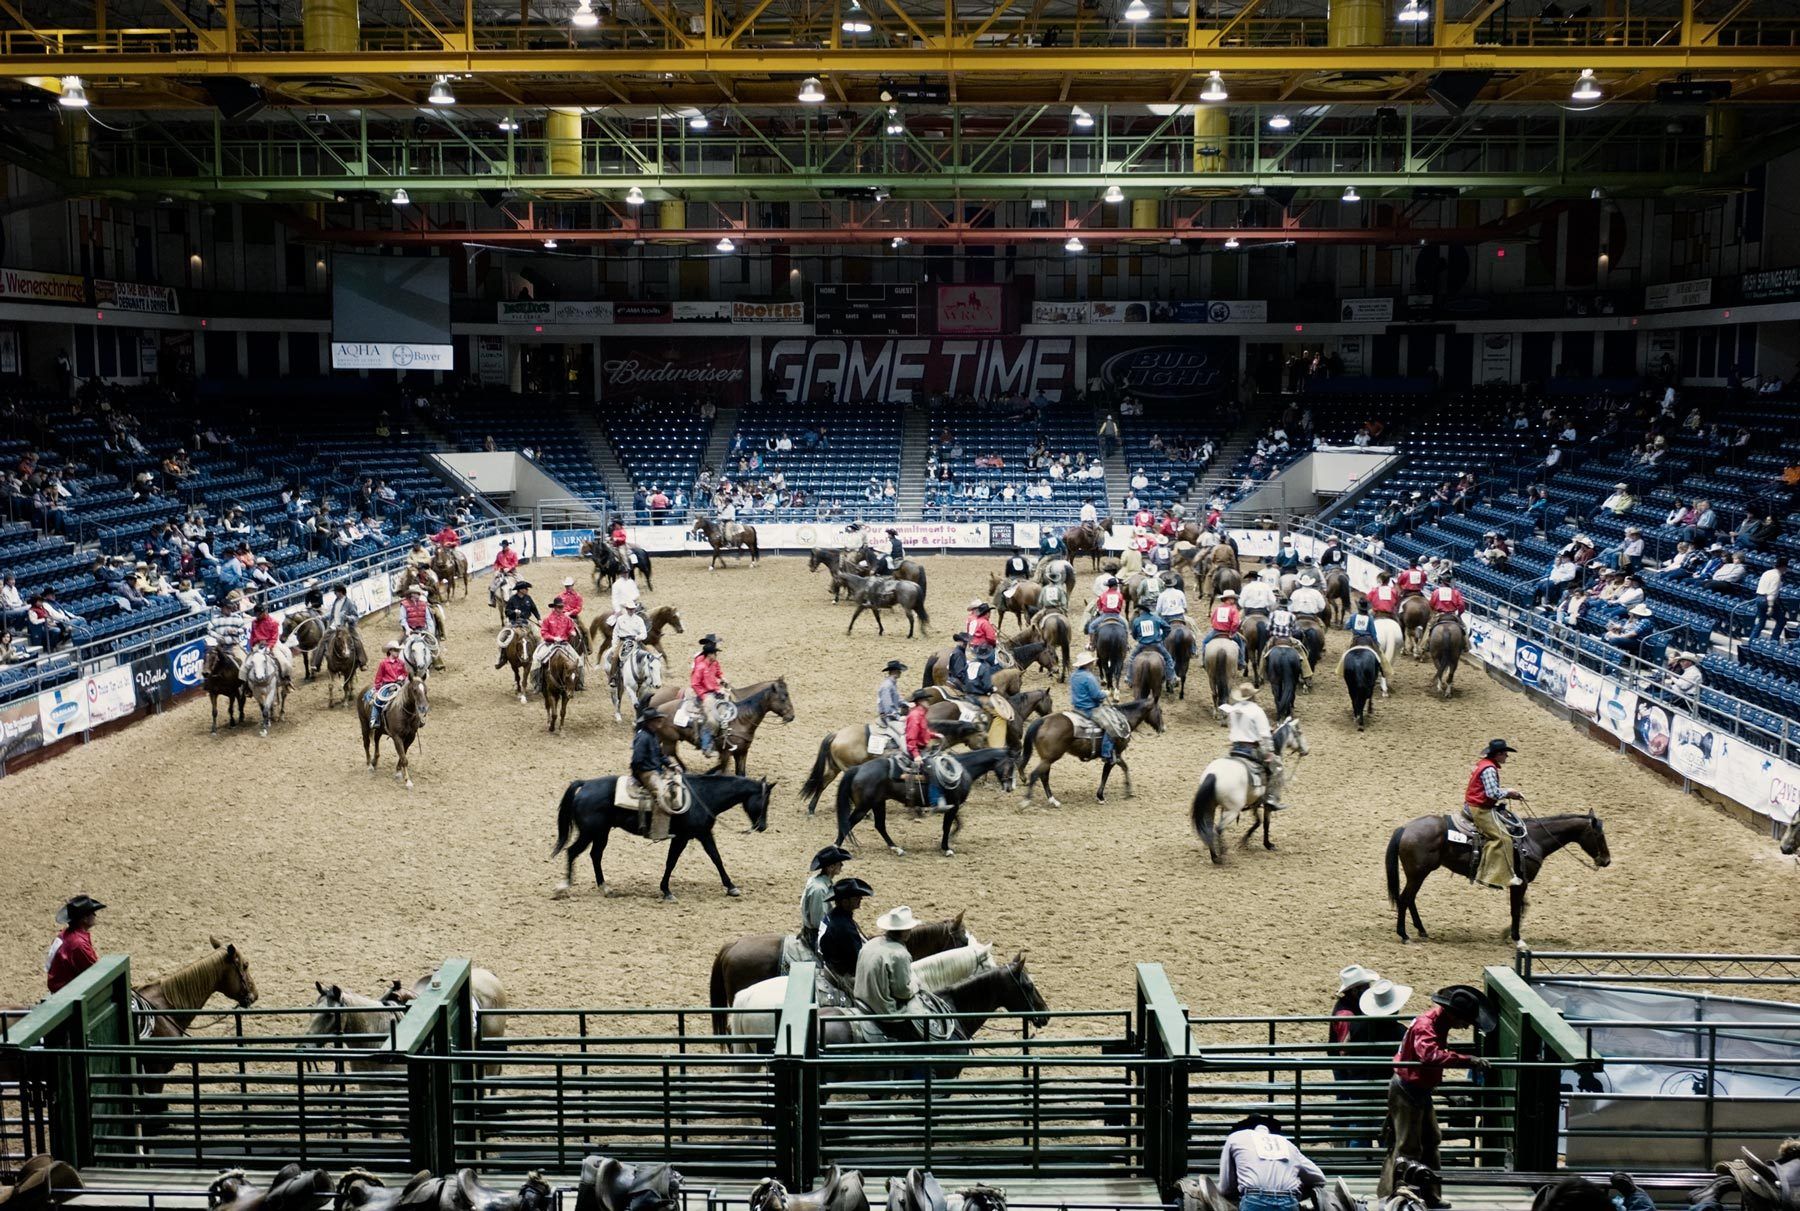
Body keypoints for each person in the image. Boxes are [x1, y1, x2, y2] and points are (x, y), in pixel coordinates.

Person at [1379, 985, 1496, 1202]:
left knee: (1428, 1141)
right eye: (1465, 1021)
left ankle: (1428, 1194)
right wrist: (1467, 1060)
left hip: (1416, 1089)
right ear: (1453, 1015)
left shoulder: (1434, 1023)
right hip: (1408, 1090)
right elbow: (1429, 1056)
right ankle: (1401, 1197)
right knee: (1408, 1147)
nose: (1465, 1026)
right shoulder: (1426, 1026)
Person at [1217, 1113, 1326, 1211]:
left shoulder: (1236, 1137)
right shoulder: (1287, 1144)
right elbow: (1319, 1179)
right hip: (1288, 1200)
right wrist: (1297, 1193)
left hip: (1254, 1199)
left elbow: (1226, 1188)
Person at [855, 905, 927, 1042]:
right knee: (923, 1028)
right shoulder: (900, 954)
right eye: (908, 929)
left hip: (862, 1001)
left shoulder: (871, 943)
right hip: (883, 1010)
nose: (910, 931)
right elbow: (903, 992)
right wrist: (915, 985)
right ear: (904, 932)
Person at [1467, 739, 1525, 889]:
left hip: (1476, 804)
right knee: (1502, 838)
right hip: (1480, 808)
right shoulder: (1489, 769)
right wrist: (1509, 792)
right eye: (1505, 753)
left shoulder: (1483, 764)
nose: (1507, 756)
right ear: (1498, 754)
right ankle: (1490, 876)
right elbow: (1492, 793)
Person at [1225, 684, 1284, 809]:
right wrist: (1269, 752)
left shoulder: (1233, 709)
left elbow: (1231, 727)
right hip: (1250, 749)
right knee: (1277, 766)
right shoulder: (1257, 710)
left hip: (1235, 748)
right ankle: (1271, 798)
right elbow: (1265, 735)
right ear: (1253, 696)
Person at [629, 706, 680, 840]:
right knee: (664, 795)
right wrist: (639, 777)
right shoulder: (643, 738)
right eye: (657, 719)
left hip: (655, 770)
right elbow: (636, 760)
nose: (660, 721)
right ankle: (658, 832)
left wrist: (671, 764)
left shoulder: (653, 735)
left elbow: (660, 755)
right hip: (647, 773)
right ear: (650, 722)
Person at [817, 877, 873, 993]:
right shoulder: (844, 927)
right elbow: (858, 959)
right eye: (856, 896)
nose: (861, 898)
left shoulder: (833, 915)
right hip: (843, 973)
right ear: (845, 902)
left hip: (830, 964)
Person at [800, 845, 853, 958]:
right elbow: (818, 923)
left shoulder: (818, 882)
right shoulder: (819, 889)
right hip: (816, 937)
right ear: (831, 867)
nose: (842, 865)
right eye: (839, 863)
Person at [45, 894, 105, 993]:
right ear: (84, 919)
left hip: (60, 989)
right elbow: (94, 971)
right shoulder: (78, 944)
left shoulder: (64, 934)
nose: (95, 915)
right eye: (92, 913)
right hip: (69, 992)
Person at [690, 634, 733, 755]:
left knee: (729, 703)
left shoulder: (713, 662)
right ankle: (706, 745)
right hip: (706, 693)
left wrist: (722, 679)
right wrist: (704, 695)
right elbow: (695, 683)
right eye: (715, 652)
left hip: (715, 690)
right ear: (710, 653)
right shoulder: (700, 663)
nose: (716, 655)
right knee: (712, 720)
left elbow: (718, 672)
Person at [530, 596, 582, 694]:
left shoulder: (567, 619)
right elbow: (544, 632)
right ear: (554, 607)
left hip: (564, 644)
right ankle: (538, 684)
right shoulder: (547, 619)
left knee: (579, 661)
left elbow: (570, 628)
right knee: (537, 659)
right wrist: (553, 638)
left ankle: (578, 683)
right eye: (559, 607)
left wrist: (572, 632)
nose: (561, 609)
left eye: (562, 607)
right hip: (550, 644)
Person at [204, 594, 252, 678]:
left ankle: (246, 682)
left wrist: (236, 631)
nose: (230, 609)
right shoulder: (215, 619)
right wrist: (217, 636)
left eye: (230, 607)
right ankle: (206, 676)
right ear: (222, 608)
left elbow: (243, 629)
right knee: (209, 660)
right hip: (221, 648)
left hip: (234, 647)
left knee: (244, 664)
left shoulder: (237, 617)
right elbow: (209, 630)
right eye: (228, 607)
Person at [248, 600, 294, 687]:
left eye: (259, 614)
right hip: (258, 645)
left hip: (272, 644)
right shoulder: (254, 623)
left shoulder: (273, 622)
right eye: (256, 614)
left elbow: (274, 637)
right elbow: (252, 636)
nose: (257, 616)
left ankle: (287, 680)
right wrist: (251, 646)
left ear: (263, 612)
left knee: (284, 663)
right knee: (246, 666)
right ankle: (247, 686)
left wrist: (269, 647)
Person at [1131, 605, 1177, 689]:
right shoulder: (1156, 618)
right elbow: (1167, 628)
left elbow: (1134, 634)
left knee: (1131, 658)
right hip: (1156, 644)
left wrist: (1138, 638)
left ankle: (1129, 678)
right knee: (1168, 659)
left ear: (1141, 611)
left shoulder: (1137, 620)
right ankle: (1171, 678)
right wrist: (1162, 637)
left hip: (1142, 645)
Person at [368, 640, 410, 731]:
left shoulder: (401, 663)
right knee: (378, 701)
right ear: (390, 651)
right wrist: (377, 688)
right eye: (395, 650)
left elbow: (405, 673)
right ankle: (374, 719)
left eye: (398, 650)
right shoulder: (383, 663)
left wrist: (402, 677)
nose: (397, 652)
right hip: (387, 686)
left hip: (399, 685)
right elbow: (379, 677)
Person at [1205, 589, 1248, 674]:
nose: (1234, 600)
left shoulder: (1217, 608)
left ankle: (1204, 661)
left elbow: (1212, 619)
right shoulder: (1233, 609)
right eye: (1232, 598)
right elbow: (1235, 623)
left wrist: (1216, 626)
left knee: (1204, 642)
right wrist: (1232, 632)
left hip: (1216, 632)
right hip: (1228, 632)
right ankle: (1241, 661)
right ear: (1228, 599)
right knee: (1241, 642)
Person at [876, 660, 909, 751]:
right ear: (895, 671)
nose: (900, 673)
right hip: (889, 717)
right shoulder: (887, 686)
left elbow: (897, 699)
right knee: (904, 733)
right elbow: (888, 706)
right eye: (899, 671)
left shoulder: (892, 684)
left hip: (891, 715)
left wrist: (907, 704)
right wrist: (898, 717)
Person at [1753, 556, 1788, 639]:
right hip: (1767, 600)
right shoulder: (1776, 576)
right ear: (1783, 567)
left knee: (1761, 623)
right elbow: (1772, 593)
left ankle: (1751, 640)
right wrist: (1770, 607)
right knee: (1781, 621)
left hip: (1759, 598)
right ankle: (1774, 640)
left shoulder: (1767, 572)